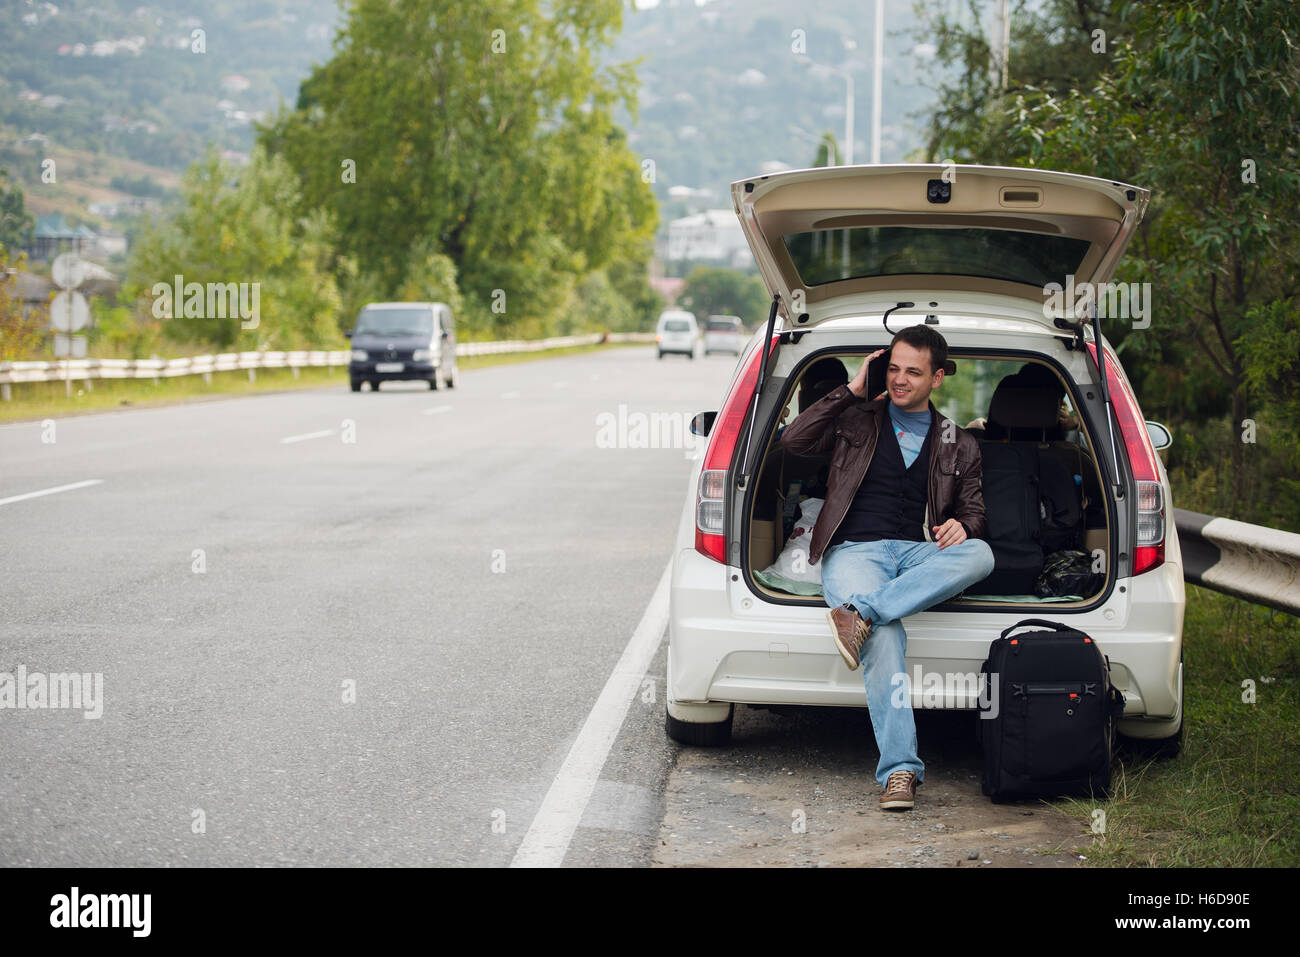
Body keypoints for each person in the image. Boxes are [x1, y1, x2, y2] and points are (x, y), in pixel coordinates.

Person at [778, 325, 996, 811]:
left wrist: (963, 524)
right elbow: (794, 441)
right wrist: (853, 389)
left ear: (937, 378)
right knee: (885, 637)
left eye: (913, 372)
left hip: (918, 551)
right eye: (893, 368)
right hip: (856, 551)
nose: (900, 380)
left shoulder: (957, 441)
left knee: (981, 554)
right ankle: (900, 770)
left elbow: (977, 514)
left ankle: (860, 611)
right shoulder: (856, 421)